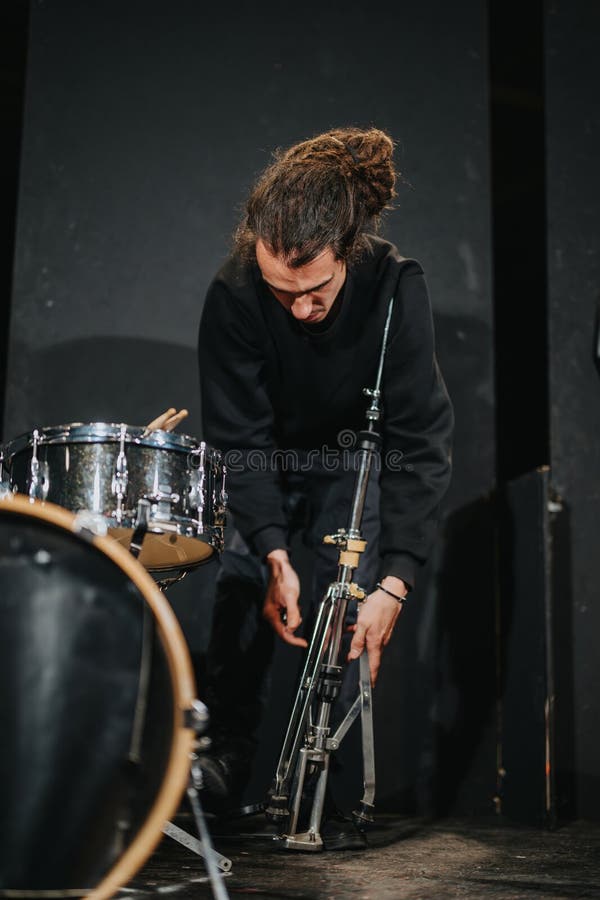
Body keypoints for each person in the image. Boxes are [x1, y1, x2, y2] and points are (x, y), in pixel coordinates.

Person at [197, 126, 453, 845]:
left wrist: (396, 580)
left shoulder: (396, 288)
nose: (300, 312)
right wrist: (274, 553)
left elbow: (422, 440)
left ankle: (325, 787)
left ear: (347, 250)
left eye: (315, 292)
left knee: (351, 606)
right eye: (285, 295)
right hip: (268, 457)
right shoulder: (236, 291)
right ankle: (226, 761)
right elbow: (238, 440)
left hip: (353, 457)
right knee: (245, 580)